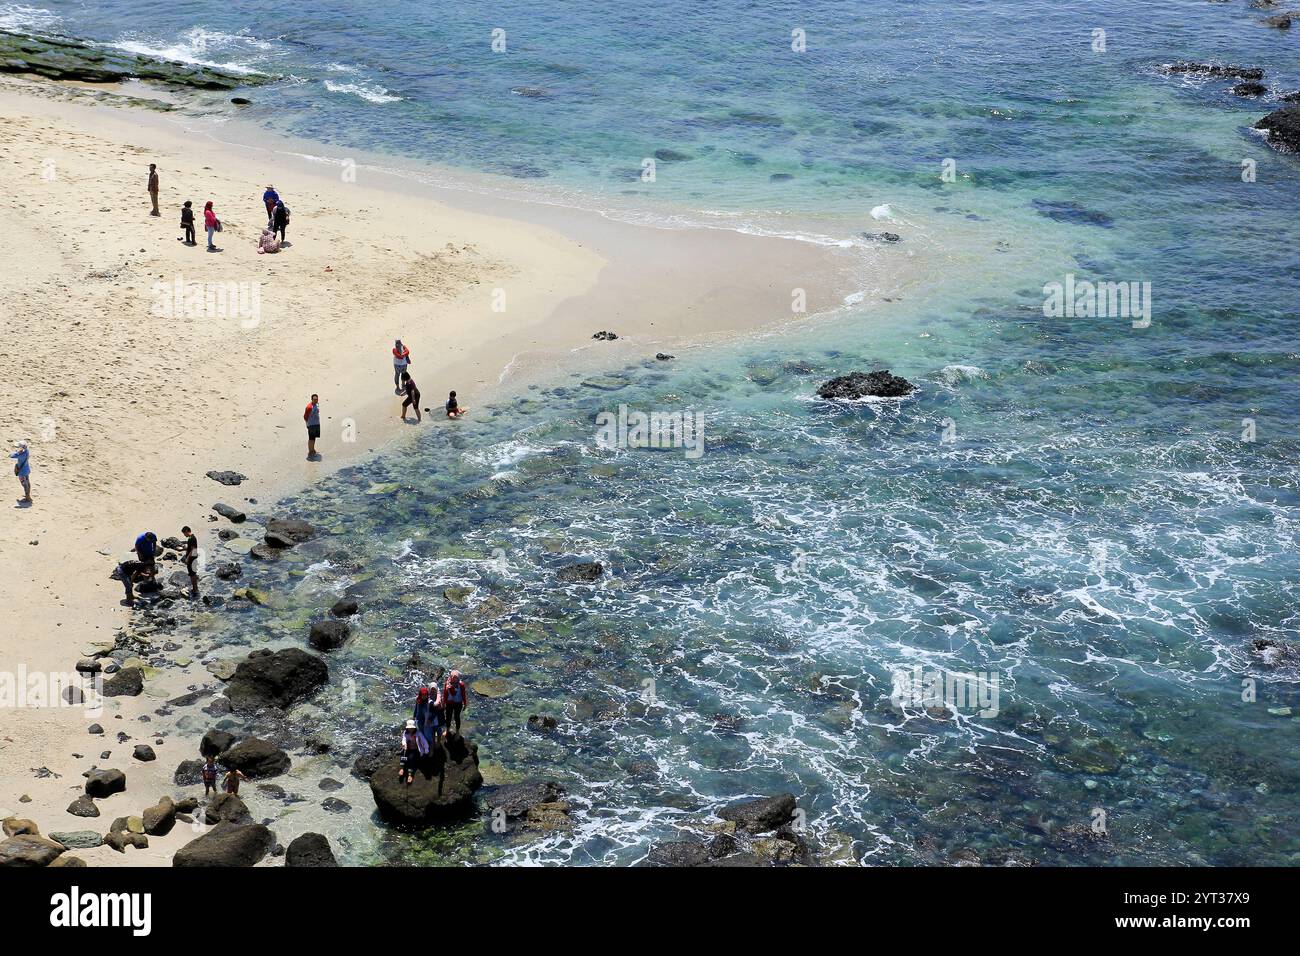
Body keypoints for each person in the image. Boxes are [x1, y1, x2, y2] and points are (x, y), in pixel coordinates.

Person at [413, 686, 442, 752]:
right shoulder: (418, 700)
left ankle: (431, 748)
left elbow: (435, 712)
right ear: (420, 695)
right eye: (422, 695)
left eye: (425, 695)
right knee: (421, 733)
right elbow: (416, 709)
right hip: (419, 720)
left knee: (428, 735)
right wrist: (414, 716)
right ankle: (423, 746)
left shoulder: (430, 702)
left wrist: (430, 720)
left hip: (427, 721)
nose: (424, 696)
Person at [399, 718, 426, 784]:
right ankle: (402, 768)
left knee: (411, 759)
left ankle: (410, 775)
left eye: (412, 728)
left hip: (415, 750)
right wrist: (404, 744)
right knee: (403, 755)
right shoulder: (406, 733)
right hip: (408, 748)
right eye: (409, 728)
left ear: (414, 728)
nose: (410, 729)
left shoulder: (418, 733)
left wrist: (426, 750)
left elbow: (424, 741)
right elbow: (404, 739)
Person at [443, 669, 467, 736]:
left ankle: (457, 732)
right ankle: (447, 730)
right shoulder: (447, 684)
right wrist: (443, 703)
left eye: (456, 678)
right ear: (451, 677)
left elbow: (463, 694)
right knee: (448, 717)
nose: (454, 679)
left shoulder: (461, 685)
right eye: (453, 678)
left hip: (458, 703)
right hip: (449, 703)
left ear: (458, 678)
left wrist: (465, 703)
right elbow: (445, 694)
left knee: (457, 717)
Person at [182, 525, 199, 598]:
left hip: (192, 558)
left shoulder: (191, 539)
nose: (184, 535)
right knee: (193, 573)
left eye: (184, 533)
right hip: (194, 557)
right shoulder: (192, 537)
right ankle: (195, 588)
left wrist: (187, 558)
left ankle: (195, 589)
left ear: (186, 531)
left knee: (192, 574)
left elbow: (192, 549)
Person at [304, 394, 321, 460]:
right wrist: (307, 424)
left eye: (316, 399)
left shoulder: (317, 405)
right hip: (311, 425)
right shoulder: (309, 407)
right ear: (312, 399)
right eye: (314, 399)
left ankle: (313, 449)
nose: (316, 400)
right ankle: (310, 451)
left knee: (314, 438)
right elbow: (305, 417)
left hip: (316, 424)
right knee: (311, 438)